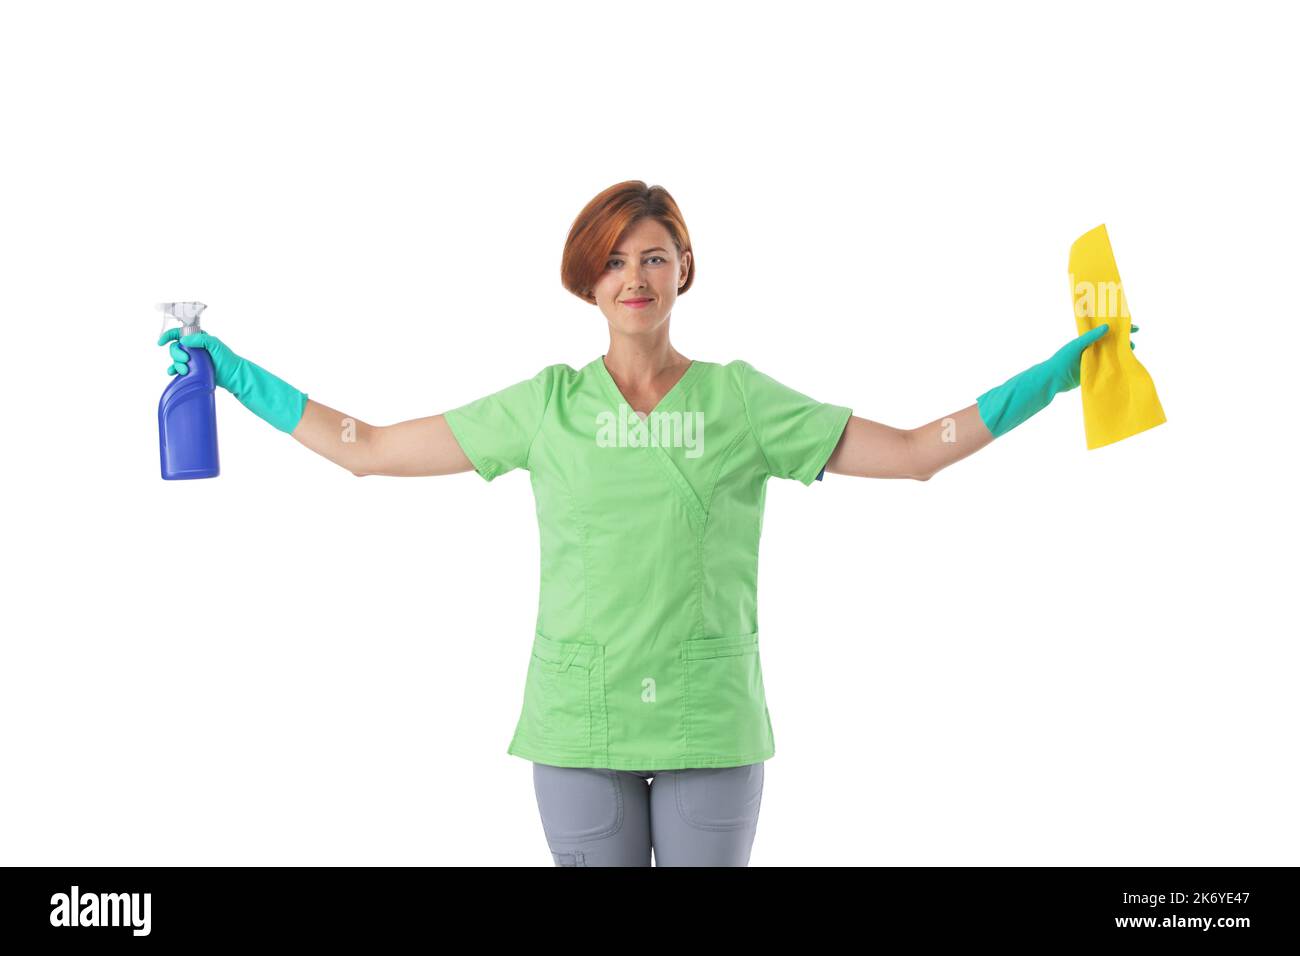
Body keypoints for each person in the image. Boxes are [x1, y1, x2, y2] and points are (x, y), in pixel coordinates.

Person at [158, 180, 1129, 866]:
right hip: (580, 723)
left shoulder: (743, 401)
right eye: (614, 258)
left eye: (653, 255)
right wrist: (233, 371)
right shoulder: (543, 406)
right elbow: (364, 444)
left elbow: (919, 448)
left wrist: (1056, 372)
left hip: (712, 721)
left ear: (684, 269)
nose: (634, 274)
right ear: (586, 278)